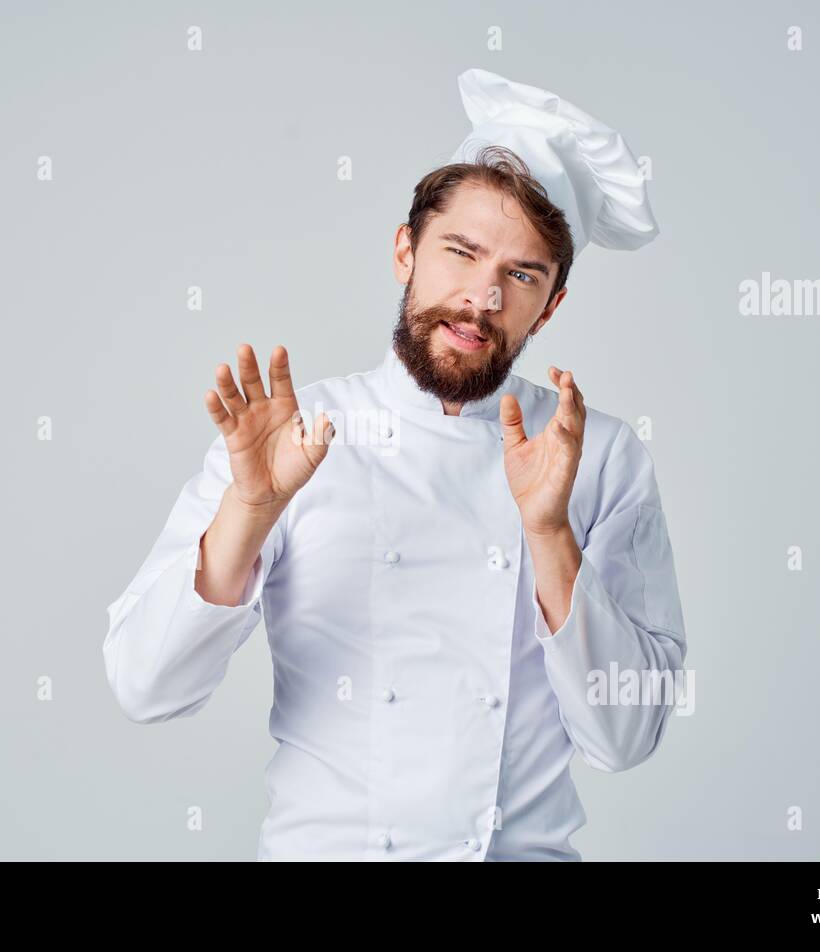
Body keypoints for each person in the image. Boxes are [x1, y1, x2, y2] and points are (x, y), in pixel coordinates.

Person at [103, 69, 687, 861]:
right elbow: (146, 687)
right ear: (405, 249)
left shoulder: (598, 454)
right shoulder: (291, 436)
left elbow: (626, 738)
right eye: (462, 252)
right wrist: (249, 511)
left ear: (549, 307)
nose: (482, 298)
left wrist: (548, 533)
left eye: (521, 275)